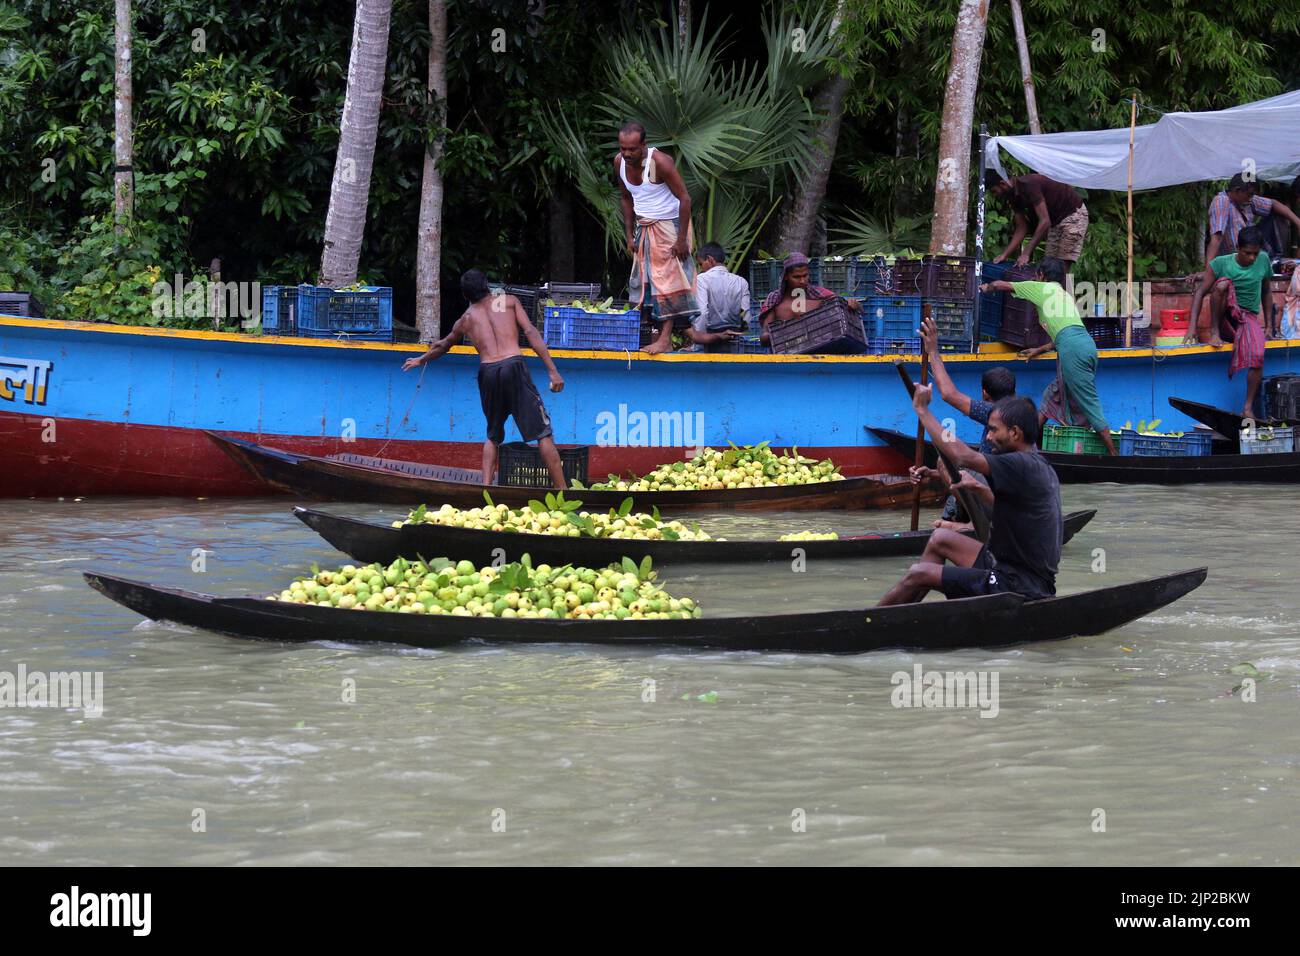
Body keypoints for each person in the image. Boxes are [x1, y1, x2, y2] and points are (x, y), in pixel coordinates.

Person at [877, 389, 1062, 606]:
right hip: (1008, 567)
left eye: (993, 430)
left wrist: (922, 410)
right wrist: (978, 489)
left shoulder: (1021, 464)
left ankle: (868, 624)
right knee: (940, 539)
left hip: (1018, 584)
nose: (989, 437)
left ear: (1014, 433)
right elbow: (1013, 513)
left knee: (920, 572)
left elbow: (962, 456)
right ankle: (904, 614)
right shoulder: (1036, 465)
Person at [402, 269, 567, 488]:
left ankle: (486, 491)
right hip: (513, 366)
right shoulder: (509, 302)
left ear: (465, 296)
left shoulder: (466, 319)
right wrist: (552, 370)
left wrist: (421, 359)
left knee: (492, 434)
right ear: (488, 285)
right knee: (543, 433)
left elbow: (443, 345)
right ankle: (563, 491)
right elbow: (531, 333)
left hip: (488, 372)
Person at [981, 257, 1117, 455]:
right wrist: (1039, 349)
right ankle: (1027, 448)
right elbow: (1063, 332)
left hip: (1073, 350)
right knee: (1052, 396)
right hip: (1083, 345)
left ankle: (1114, 456)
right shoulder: (1063, 294)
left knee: (1088, 403)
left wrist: (986, 287)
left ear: (1041, 275)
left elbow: (1003, 285)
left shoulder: (1041, 288)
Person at [917, 314, 1016, 529]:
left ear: (984, 394)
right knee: (946, 466)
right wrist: (934, 475)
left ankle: (974, 524)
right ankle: (963, 519)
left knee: (946, 461)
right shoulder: (1016, 414)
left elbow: (948, 394)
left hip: (1001, 499)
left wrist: (933, 350)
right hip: (1006, 495)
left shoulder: (994, 411)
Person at [615, 121, 698, 354]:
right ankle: (656, 335)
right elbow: (625, 198)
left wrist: (681, 239)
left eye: (632, 149)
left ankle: (665, 338)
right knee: (646, 282)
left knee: (667, 283)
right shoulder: (619, 163)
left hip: (670, 227)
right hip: (644, 227)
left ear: (644, 144)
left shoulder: (659, 162)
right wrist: (629, 233)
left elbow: (685, 199)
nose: (627, 153)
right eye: (623, 148)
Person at [1185, 225, 1272, 418]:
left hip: (1247, 317)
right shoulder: (1221, 263)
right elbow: (1200, 293)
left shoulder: (1264, 260)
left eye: (1255, 254)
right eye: (1248, 253)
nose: (1252, 258)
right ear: (1238, 249)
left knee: (1258, 356)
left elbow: (1267, 292)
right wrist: (1191, 328)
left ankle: (1247, 408)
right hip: (1225, 318)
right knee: (1223, 284)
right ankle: (1215, 333)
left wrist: (1270, 327)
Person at [987, 171, 1089, 273]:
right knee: (1049, 267)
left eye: (994, 191)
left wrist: (1026, 253)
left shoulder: (1029, 184)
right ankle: (1056, 288)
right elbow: (1022, 227)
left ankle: (1066, 289)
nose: (995, 195)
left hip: (1073, 215)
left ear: (1002, 184)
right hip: (1055, 222)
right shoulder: (1013, 196)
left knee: (1062, 267)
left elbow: (1045, 221)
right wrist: (1005, 254)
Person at [755, 252, 860, 344]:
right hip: (787, 357)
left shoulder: (820, 294)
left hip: (820, 354)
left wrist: (854, 305)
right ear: (786, 276)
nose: (802, 281)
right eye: (796, 277)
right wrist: (783, 334)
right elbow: (764, 335)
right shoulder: (775, 299)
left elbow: (853, 308)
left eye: (805, 276)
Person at [1204, 173, 1300, 268]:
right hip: (1233, 262)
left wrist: (1298, 222)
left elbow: (1273, 204)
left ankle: (1274, 259)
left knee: (1277, 215)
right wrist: (1208, 270)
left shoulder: (1247, 200)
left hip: (1251, 257)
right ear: (1237, 191)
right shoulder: (1222, 201)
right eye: (1249, 194)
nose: (1251, 198)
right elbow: (1216, 239)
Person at [686, 242, 749, 352]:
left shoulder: (702, 279)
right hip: (735, 338)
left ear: (710, 260)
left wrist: (699, 342)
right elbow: (746, 314)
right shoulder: (741, 281)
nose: (700, 268)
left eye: (701, 264)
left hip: (710, 339)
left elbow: (702, 313)